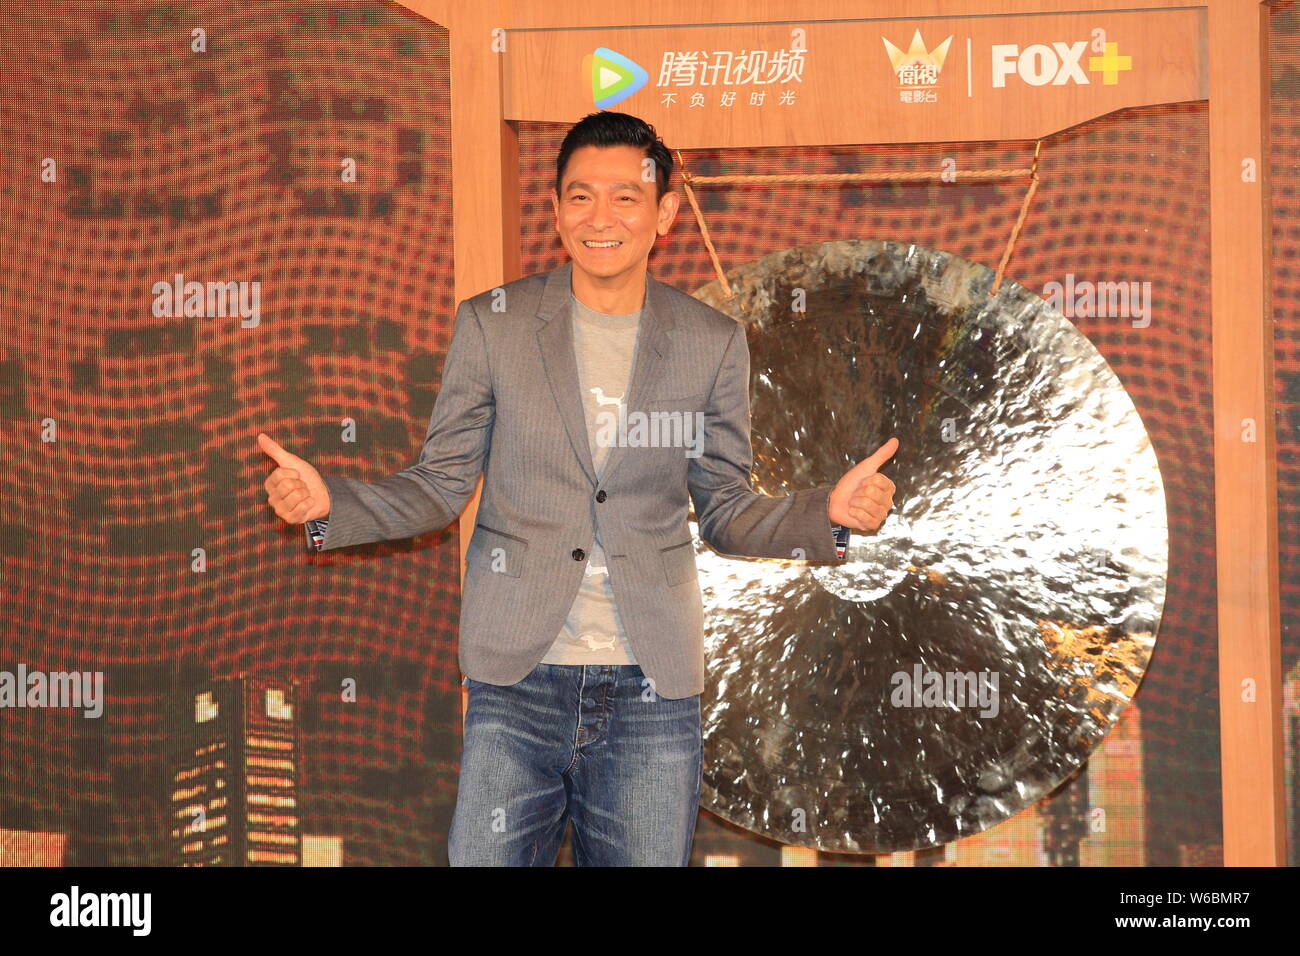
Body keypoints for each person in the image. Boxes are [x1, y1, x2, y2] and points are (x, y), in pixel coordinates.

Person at [259, 111, 897, 866]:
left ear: (663, 212)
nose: (602, 219)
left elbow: (724, 510)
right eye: (581, 197)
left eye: (626, 198)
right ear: (557, 209)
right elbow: (439, 486)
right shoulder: (493, 326)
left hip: (651, 692)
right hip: (516, 683)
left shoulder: (708, 340)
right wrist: (333, 503)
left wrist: (822, 515)